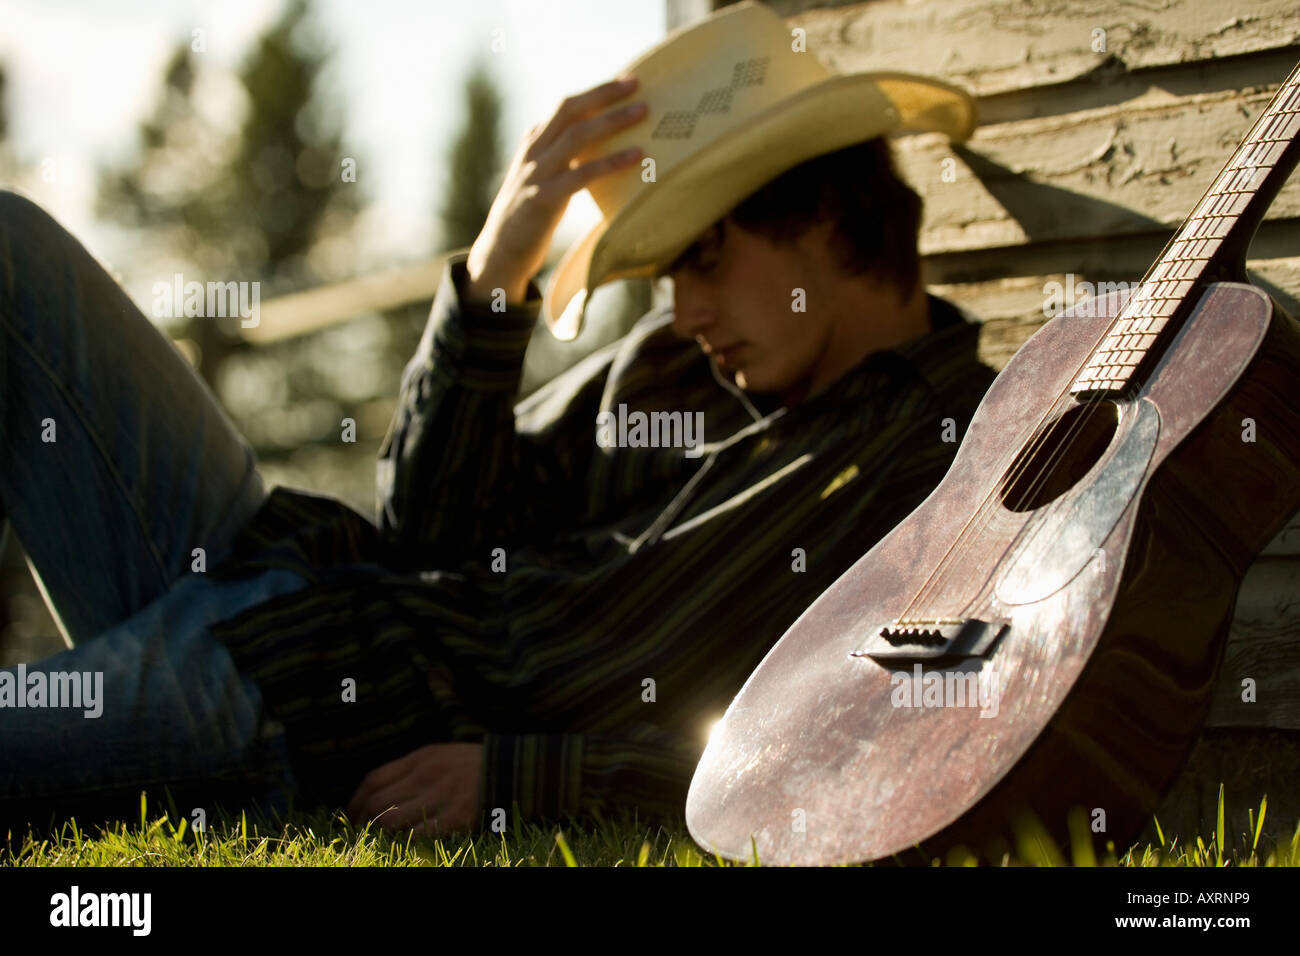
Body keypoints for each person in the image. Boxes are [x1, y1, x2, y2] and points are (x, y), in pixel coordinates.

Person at [0, 1, 995, 837]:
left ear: (822, 218)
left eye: (703, 257)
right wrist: (495, 269)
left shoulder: (949, 462)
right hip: (282, 573)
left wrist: (523, 779)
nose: (684, 312)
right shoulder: (676, 361)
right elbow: (430, 524)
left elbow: (855, 752)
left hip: (303, 703)